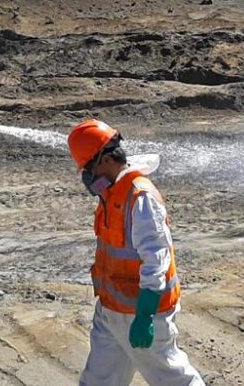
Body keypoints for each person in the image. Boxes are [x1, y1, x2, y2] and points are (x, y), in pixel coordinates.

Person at [68, 119, 205, 386]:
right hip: (110, 312)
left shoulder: (140, 198)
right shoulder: (112, 195)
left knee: (174, 380)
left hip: (139, 313)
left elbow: (156, 259)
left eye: (88, 168)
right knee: (98, 381)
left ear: (106, 160)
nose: (87, 176)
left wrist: (145, 315)